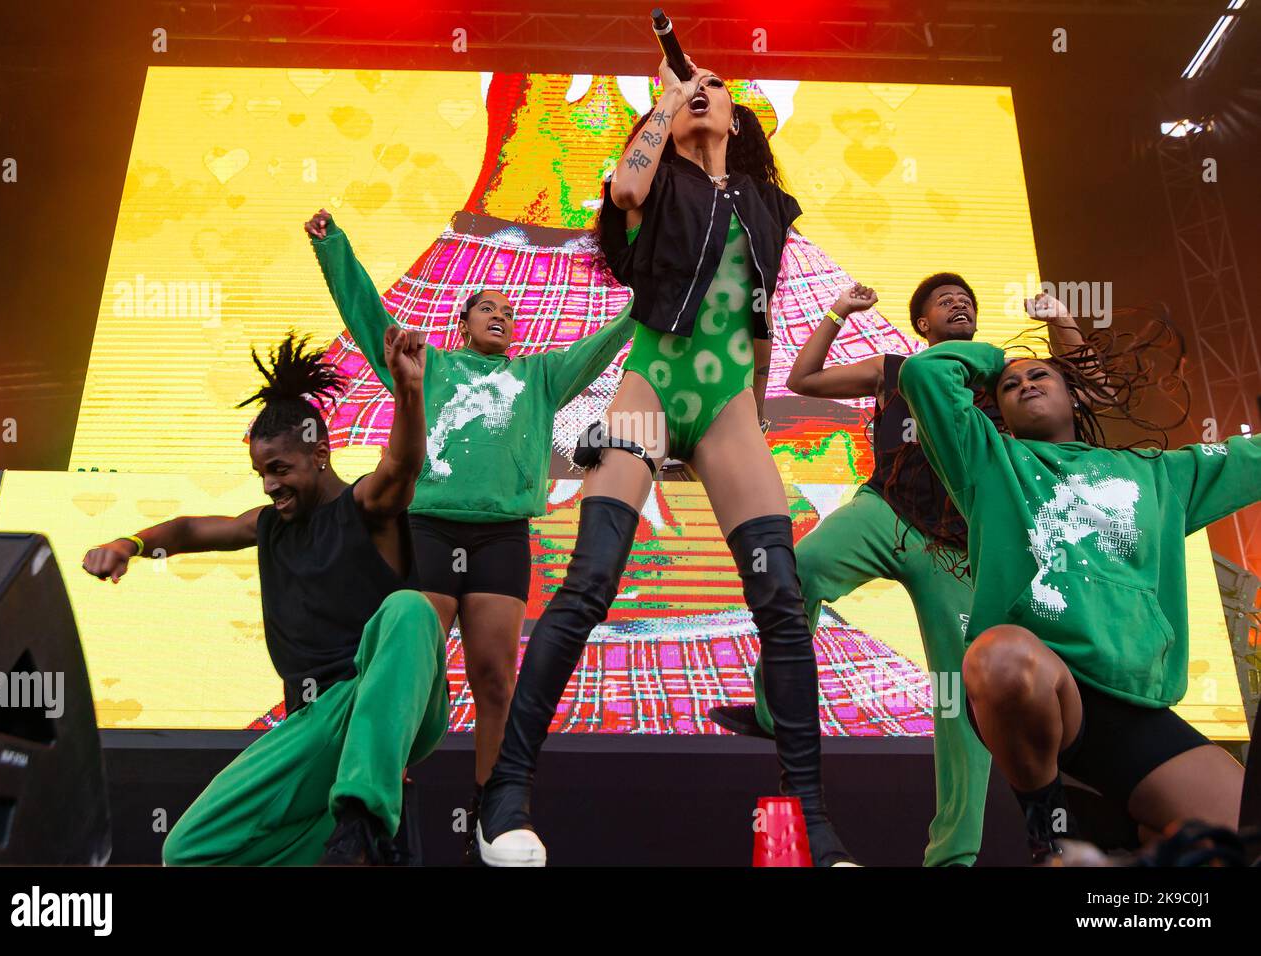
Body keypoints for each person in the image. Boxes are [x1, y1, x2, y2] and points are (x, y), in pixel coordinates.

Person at [475, 53, 853, 867]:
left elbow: (760, 309)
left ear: (737, 115)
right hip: (653, 390)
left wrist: (752, 402)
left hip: (725, 407)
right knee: (589, 584)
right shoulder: (656, 182)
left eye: (714, 87)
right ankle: (505, 793)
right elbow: (625, 192)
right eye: (689, 90)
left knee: (781, 603)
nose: (702, 93)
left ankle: (816, 822)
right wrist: (664, 105)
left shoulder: (762, 202)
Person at [710, 280, 1102, 866]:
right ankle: (775, 710)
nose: (958, 304)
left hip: (955, 547)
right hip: (884, 512)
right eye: (943, 300)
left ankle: (953, 858)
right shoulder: (894, 369)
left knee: (960, 701)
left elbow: (1085, 385)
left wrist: (1061, 319)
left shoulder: (1000, 377)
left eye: (965, 298)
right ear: (921, 323)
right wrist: (837, 312)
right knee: (798, 572)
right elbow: (802, 381)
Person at [306, 208, 636, 861]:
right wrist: (333, 246)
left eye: (510, 312)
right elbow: (370, 319)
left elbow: (604, 343)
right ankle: (378, 808)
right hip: (428, 528)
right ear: (462, 321)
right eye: (488, 307)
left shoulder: (540, 378)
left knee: (495, 677)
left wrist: (645, 304)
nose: (501, 316)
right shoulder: (429, 366)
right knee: (409, 665)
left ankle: (495, 814)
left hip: (502, 538)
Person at [896, 305, 1261, 862]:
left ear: (1077, 397)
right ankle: (1048, 834)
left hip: (1131, 712)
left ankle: (1128, 843)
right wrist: (998, 363)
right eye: (1011, 386)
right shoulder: (989, 461)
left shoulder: (1162, 475)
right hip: (1037, 691)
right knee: (999, 657)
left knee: (1238, 842)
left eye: (1041, 375)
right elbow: (924, 375)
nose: (1024, 383)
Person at [81, 328, 447, 865]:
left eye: (280, 469)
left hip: (381, 698)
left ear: (320, 454)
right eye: (261, 474)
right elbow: (188, 531)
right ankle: (340, 844)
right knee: (187, 851)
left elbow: (402, 465)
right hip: (312, 724)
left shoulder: (365, 508)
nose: (270, 486)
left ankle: (364, 821)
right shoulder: (268, 526)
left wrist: (409, 392)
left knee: (412, 609)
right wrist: (128, 544)